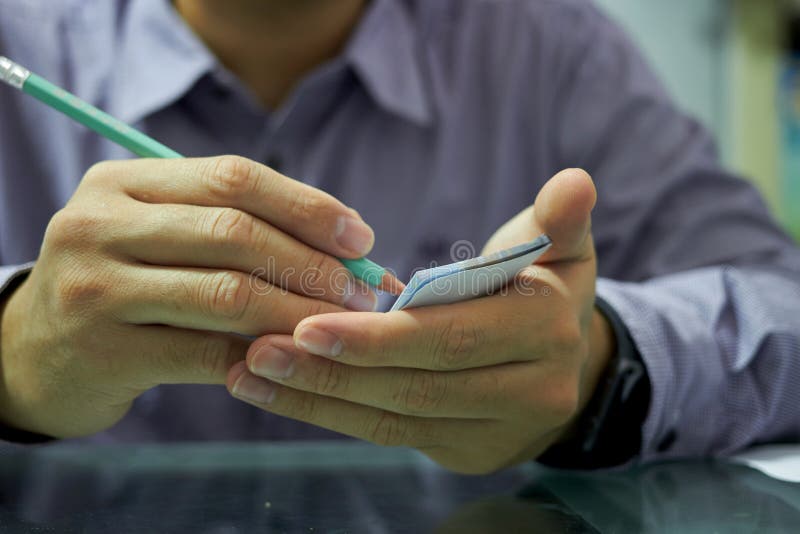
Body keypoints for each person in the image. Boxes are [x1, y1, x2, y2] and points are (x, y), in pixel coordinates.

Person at [0, 0, 798, 474]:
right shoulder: (19, 42)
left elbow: (781, 310)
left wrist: (600, 363)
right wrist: (11, 348)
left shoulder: (547, 47)